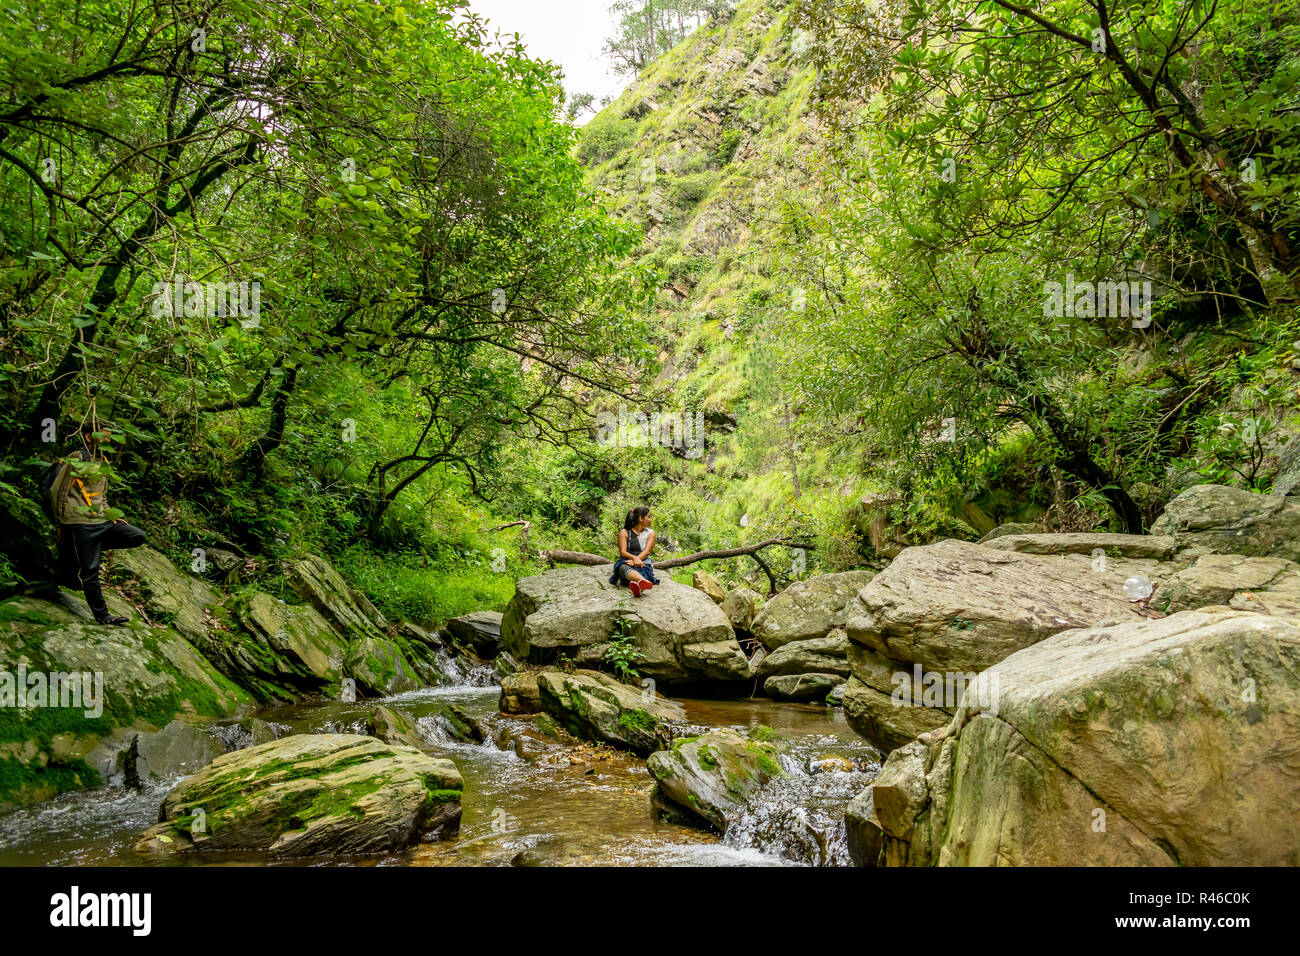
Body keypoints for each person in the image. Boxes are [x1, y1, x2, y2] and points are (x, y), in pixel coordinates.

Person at [45, 426, 146, 625]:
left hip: (101, 520)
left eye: (109, 436)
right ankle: (102, 615)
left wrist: (109, 514)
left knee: (137, 536)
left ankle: (86, 550)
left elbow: (102, 494)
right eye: (103, 436)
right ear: (89, 436)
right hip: (78, 520)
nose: (108, 439)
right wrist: (59, 523)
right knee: (90, 571)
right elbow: (58, 490)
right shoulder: (78, 457)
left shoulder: (104, 460)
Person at [610, 505, 658, 597]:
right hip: (626, 562)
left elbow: (647, 551)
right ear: (641, 518)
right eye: (649, 517)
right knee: (622, 568)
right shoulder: (624, 532)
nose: (651, 519)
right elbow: (623, 552)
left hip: (643, 563)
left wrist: (636, 560)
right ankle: (643, 582)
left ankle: (639, 585)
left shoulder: (650, 533)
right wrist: (633, 559)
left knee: (645, 570)